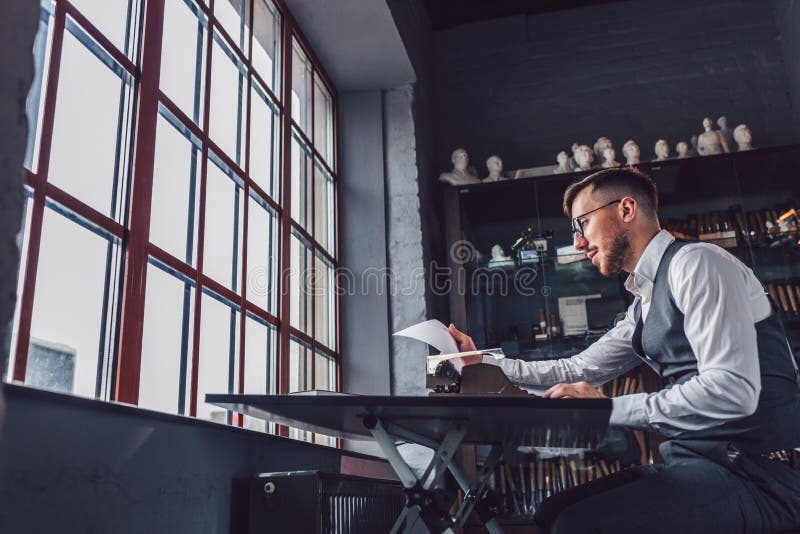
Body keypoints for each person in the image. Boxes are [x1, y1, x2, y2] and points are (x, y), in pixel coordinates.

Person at [449, 167, 800, 533]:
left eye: (582, 224)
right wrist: (486, 363)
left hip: (762, 474)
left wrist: (607, 408)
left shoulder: (697, 264)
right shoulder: (643, 303)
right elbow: (577, 369)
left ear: (627, 210)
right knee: (550, 512)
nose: (578, 243)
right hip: (700, 462)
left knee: (573, 525)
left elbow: (732, 391)